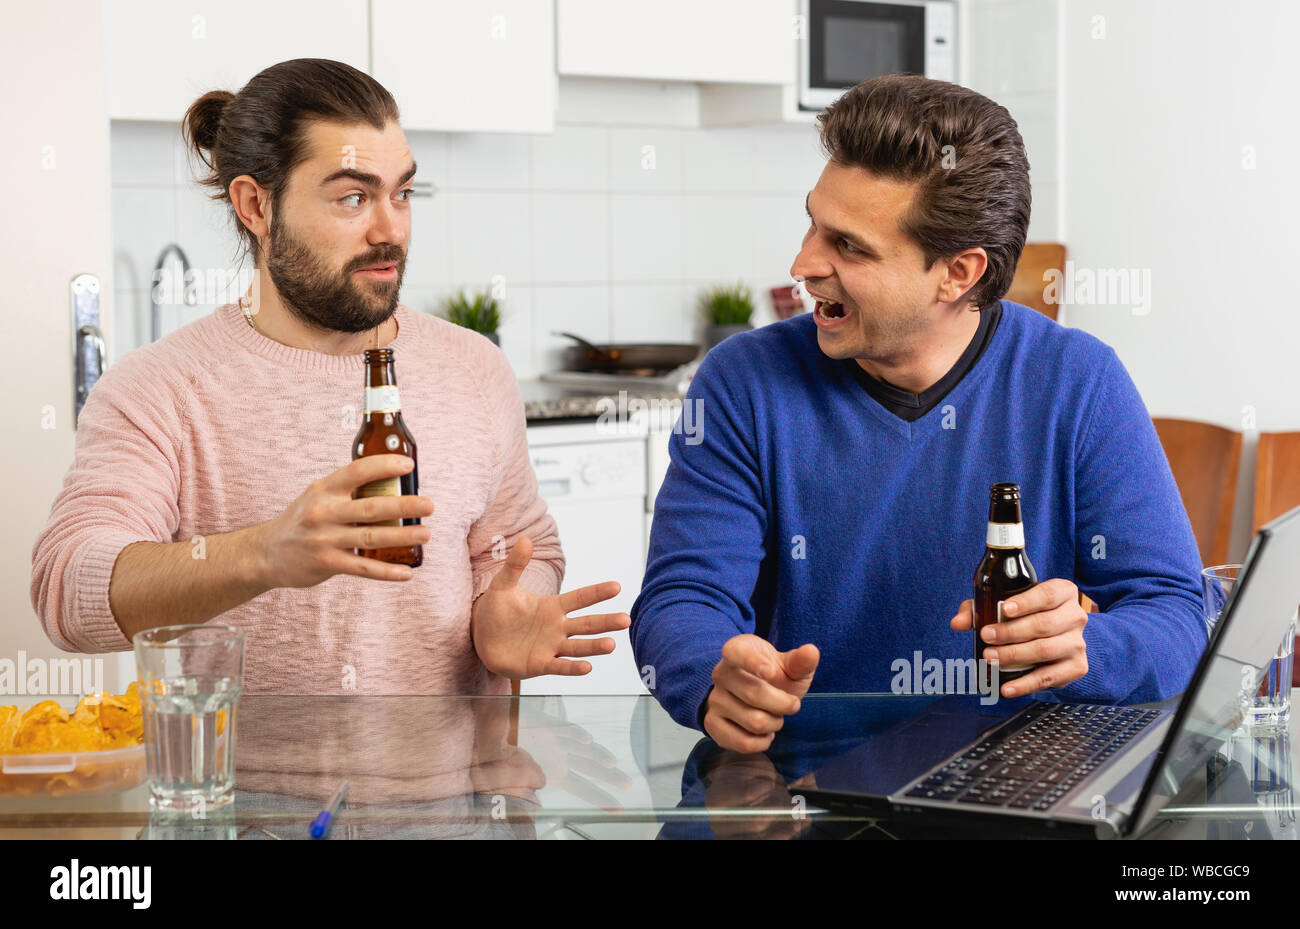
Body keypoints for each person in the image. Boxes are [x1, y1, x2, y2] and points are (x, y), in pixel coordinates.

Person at [630, 74, 1204, 754]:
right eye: (813, 222)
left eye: (849, 246)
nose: (803, 263)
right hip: (801, 790)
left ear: (958, 274)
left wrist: (1089, 646)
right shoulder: (744, 381)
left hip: (1017, 788)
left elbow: (1175, 617)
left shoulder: (1080, 380)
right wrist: (711, 672)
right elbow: (681, 599)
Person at [30, 58, 628, 695]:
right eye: (353, 197)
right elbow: (69, 589)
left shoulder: (473, 367)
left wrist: (497, 613)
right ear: (256, 205)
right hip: (249, 792)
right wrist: (263, 554)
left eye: (402, 193)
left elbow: (519, 545)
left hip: (459, 790)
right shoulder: (159, 388)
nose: (390, 229)